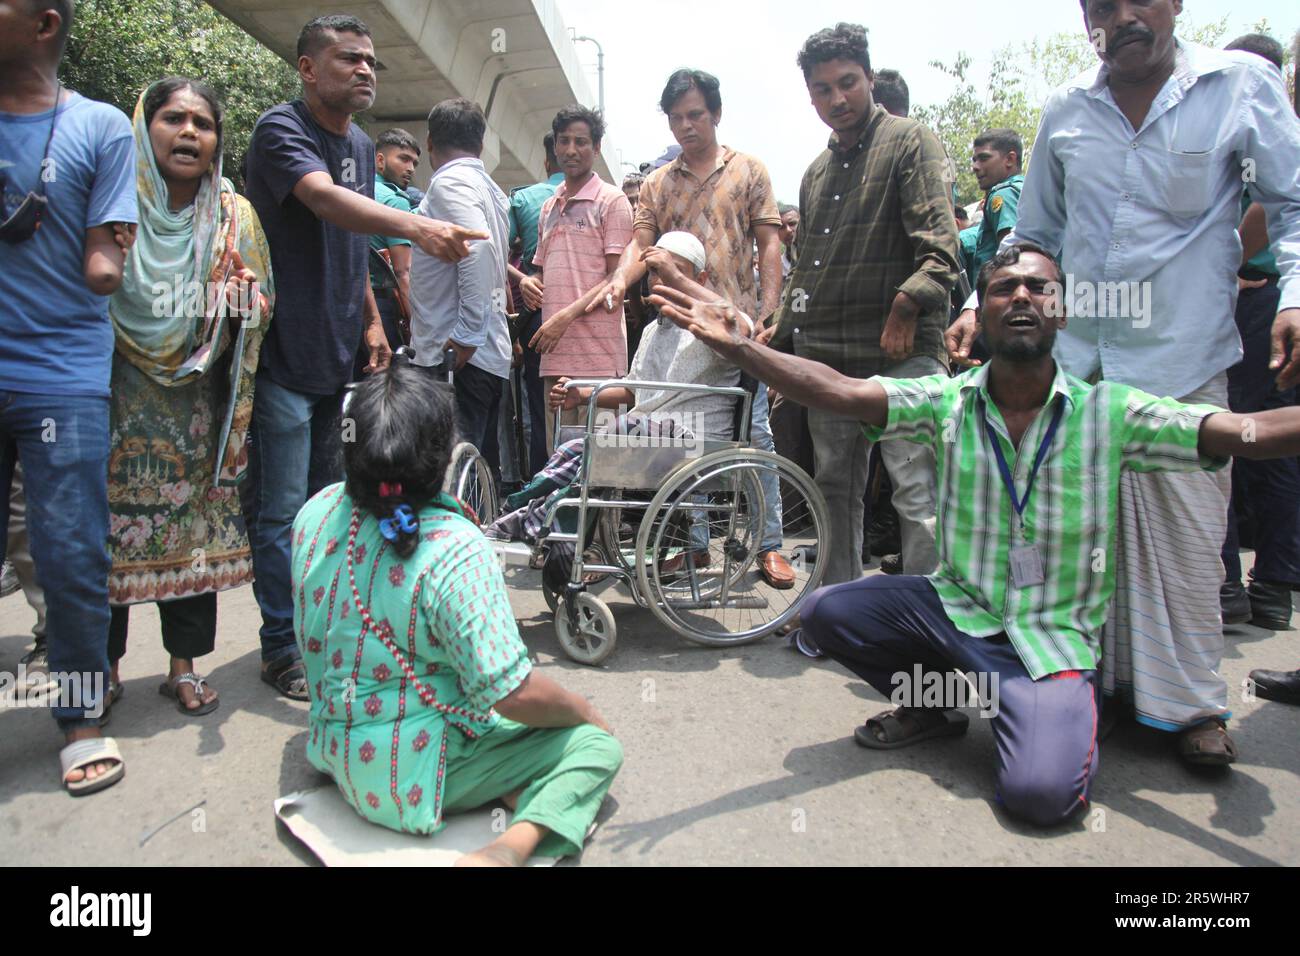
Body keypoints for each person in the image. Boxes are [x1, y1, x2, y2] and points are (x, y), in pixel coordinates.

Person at [651, 243, 1300, 825]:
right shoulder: (945, 400)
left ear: (1063, 313)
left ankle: (1059, 714)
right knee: (823, 612)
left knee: (1040, 798)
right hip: (956, 612)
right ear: (981, 316)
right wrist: (740, 348)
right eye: (1003, 288)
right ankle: (932, 708)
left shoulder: (1112, 412)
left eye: (1040, 287)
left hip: (1049, 642)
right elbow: (842, 392)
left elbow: (1245, 432)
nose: (1022, 296)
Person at [945, 0, 1300, 765]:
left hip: (1180, 358)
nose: (1124, 16)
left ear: (1175, 3)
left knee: (1186, 539)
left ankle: (1193, 705)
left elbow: (1295, 201)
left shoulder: (1239, 86)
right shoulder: (1068, 109)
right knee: (1072, 539)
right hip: (1078, 368)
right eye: (1102, 5)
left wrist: (1297, 294)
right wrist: (982, 301)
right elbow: (1033, 231)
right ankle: (1090, 688)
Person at [292, 358, 621, 866]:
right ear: (440, 455)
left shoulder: (313, 514)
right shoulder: (455, 547)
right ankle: (506, 850)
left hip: (333, 753)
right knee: (595, 748)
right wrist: (586, 712)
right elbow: (512, 694)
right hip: (413, 776)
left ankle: (508, 787)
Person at [242, 14, 483, 701]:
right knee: (284, 511)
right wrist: (417, 224)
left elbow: (351, 246)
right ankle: (281, 647)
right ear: (308, 69)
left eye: (371, 61)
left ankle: (327, 628)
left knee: (332, 503)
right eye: (349, 59)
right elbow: (323, 202)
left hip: (342, 359)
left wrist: (373, 323)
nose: (366, 70)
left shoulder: (362, 147)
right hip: (286, 357)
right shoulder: (281, 130)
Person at [570, 68, 794, 590]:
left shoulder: (749, 171)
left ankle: (770, 545)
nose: (686, 126)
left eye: (695, 114)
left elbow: (769, 246)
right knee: (683, 436)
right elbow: (637, 244)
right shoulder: (656, 182)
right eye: (676, 117)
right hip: (675, 325)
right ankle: (694, 549)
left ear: (716, 114)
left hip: (735, 328)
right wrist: (619, 283)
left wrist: (769, 315)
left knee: (755, 436)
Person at [0, 0, 137, 794]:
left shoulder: (100, 127)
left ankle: (80, 717)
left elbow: (103, 249)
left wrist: (108, 261)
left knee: (72, 552)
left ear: (46, 23)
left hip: (63, 375)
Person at [105, 77, 274, 717]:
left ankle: (183, 667)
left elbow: (259, 309)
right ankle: (104, 667)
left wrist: (239, 296)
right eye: (172, 118)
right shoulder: (111, 207)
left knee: (190, 535)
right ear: (144, 128)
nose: (188, 133)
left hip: (196, 411)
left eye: (202, 124)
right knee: (104, 537)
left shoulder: (236, 217)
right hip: (116, 398)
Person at [769, 22, 959, 591]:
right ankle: (837, 608)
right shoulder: (816, 173)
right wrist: (778, 343)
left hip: (902, 356)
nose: (838, 99)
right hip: (829, 358)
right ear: (811, 97)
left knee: (916, 489)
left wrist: (907, 305)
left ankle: (930, 617)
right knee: (833, 487)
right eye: (823, 90)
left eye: (848, 82)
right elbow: (808, 274)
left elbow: (940, 250)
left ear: (870, 79)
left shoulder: (909, 141)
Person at [1218, 33, 1298, 630]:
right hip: (1268, 300)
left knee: (1234, 436)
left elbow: (1266, 214)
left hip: (1262, 303)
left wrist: (1225, 266)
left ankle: (1234, 586)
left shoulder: (1266, 133)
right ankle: (1267, 588)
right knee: (1263, 443)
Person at [526, 105, 634, 452]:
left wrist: (564, 317)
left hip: (599, 364)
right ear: (555, 147)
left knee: (604, 471)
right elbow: (544, 270)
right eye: (564, 141)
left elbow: (616, 277)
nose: (571, 150)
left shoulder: (612, 200)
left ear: (597, 148)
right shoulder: (549, 207)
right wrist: (531, 282)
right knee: (558, 468)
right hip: (555, 361)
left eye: (581, 142)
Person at [407, 97, 511, 458]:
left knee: (446, 475)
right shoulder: (489, 190)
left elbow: (477, 249)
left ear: (430, 143)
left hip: (456, 357)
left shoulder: (449, 183)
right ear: (481, 144)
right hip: (479, 357)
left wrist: (467, 335)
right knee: (472, 475)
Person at [507, 133, 563, 474]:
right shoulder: (602, 200)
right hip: (584, 313)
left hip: (537, 309)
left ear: (545, 162)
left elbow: (495, 250)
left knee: (539, 404)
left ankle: (540, 484)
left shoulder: (524, 199)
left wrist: (521, 279)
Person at [363, 127, 422, 372]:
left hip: (352, 305)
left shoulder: (351, 192)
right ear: (379, 160)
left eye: (415, 163)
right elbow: (403, 271)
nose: (410, 168)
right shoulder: (395, 201)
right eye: (403, 158)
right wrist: (416, 326)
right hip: (384, 306)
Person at [968, 128, 1024, 282]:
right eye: (974, 160)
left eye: (984, 158)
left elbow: (1013, 259)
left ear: (1010, 160)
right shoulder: (1027, 190)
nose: (975, 167)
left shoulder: (1003, 195)